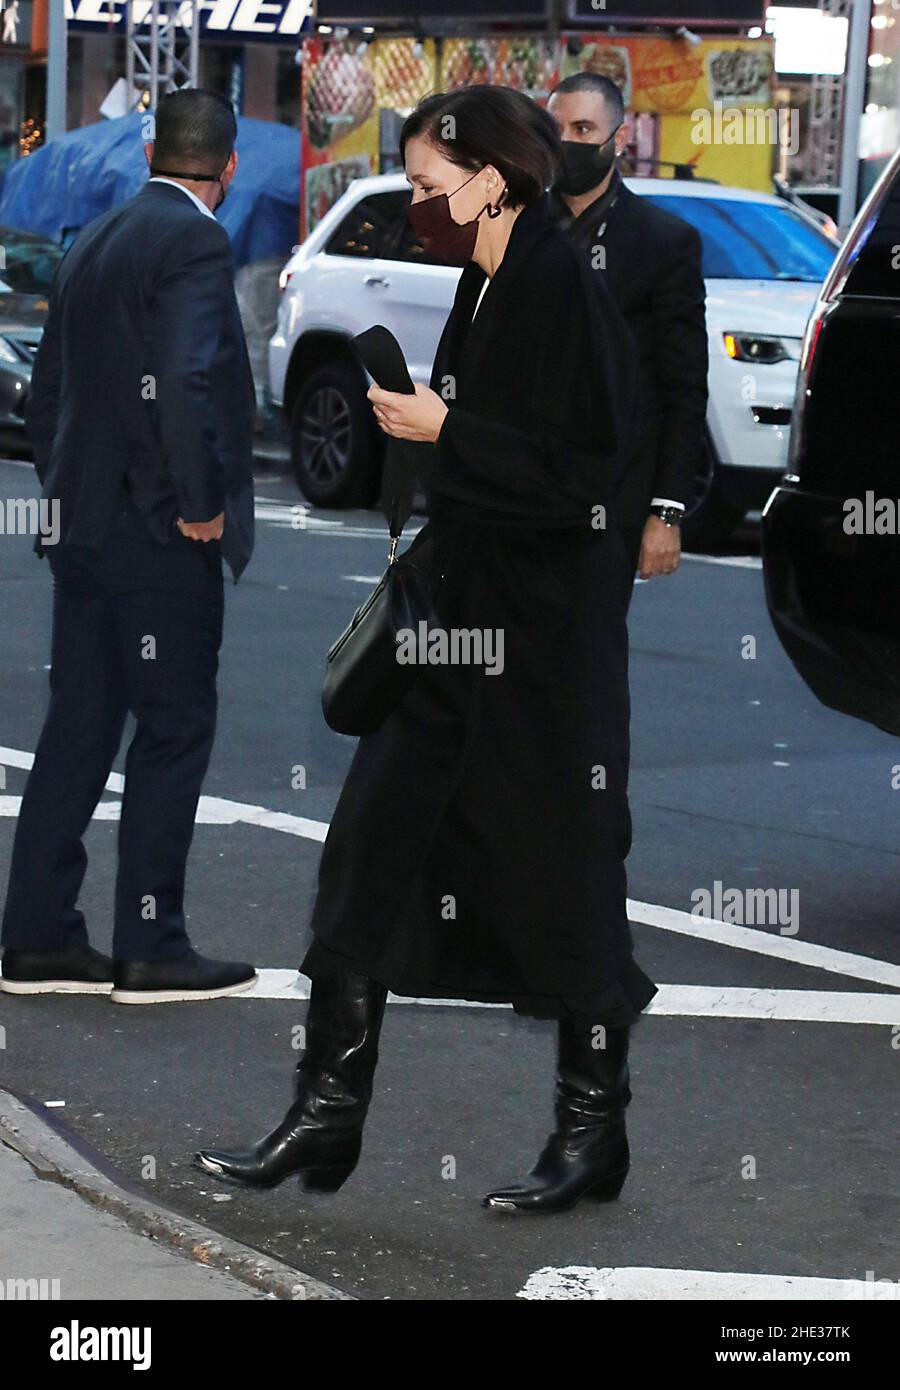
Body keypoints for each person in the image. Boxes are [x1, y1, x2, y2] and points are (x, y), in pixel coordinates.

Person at [196, 85, 655, 1215]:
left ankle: (592, 1130)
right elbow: (478, 453)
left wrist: (449, 430)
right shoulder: (485, 281)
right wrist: (419, 422)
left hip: (540, 661)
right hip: (454, 637)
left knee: (567, 894)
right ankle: (325, 1111)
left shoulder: (559, 286)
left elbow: (589, 475)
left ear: (496, 178)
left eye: (431, 186)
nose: (417, 206)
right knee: (368, 851)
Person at [0, 89, 257, 1005]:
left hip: (84, 530)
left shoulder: (95, 238)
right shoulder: (194, 240)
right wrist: (199, 502)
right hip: (157, 533)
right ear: (227, 168)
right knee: (174, 728)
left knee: (78, 727)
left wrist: (66, 496)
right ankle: (150, 945)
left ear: (152, 150)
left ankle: (34, 936)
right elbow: (189, 378)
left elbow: (46, 394)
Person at [548, 71, 709, 594]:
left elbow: (683, 385)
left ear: (619, 139)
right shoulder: (514, 227)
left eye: (582, 128)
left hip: (612, 497)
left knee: (588, 662)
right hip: (519, 494)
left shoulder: (663, 243)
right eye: (556, 130)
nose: (567, 143)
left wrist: (666, 510)